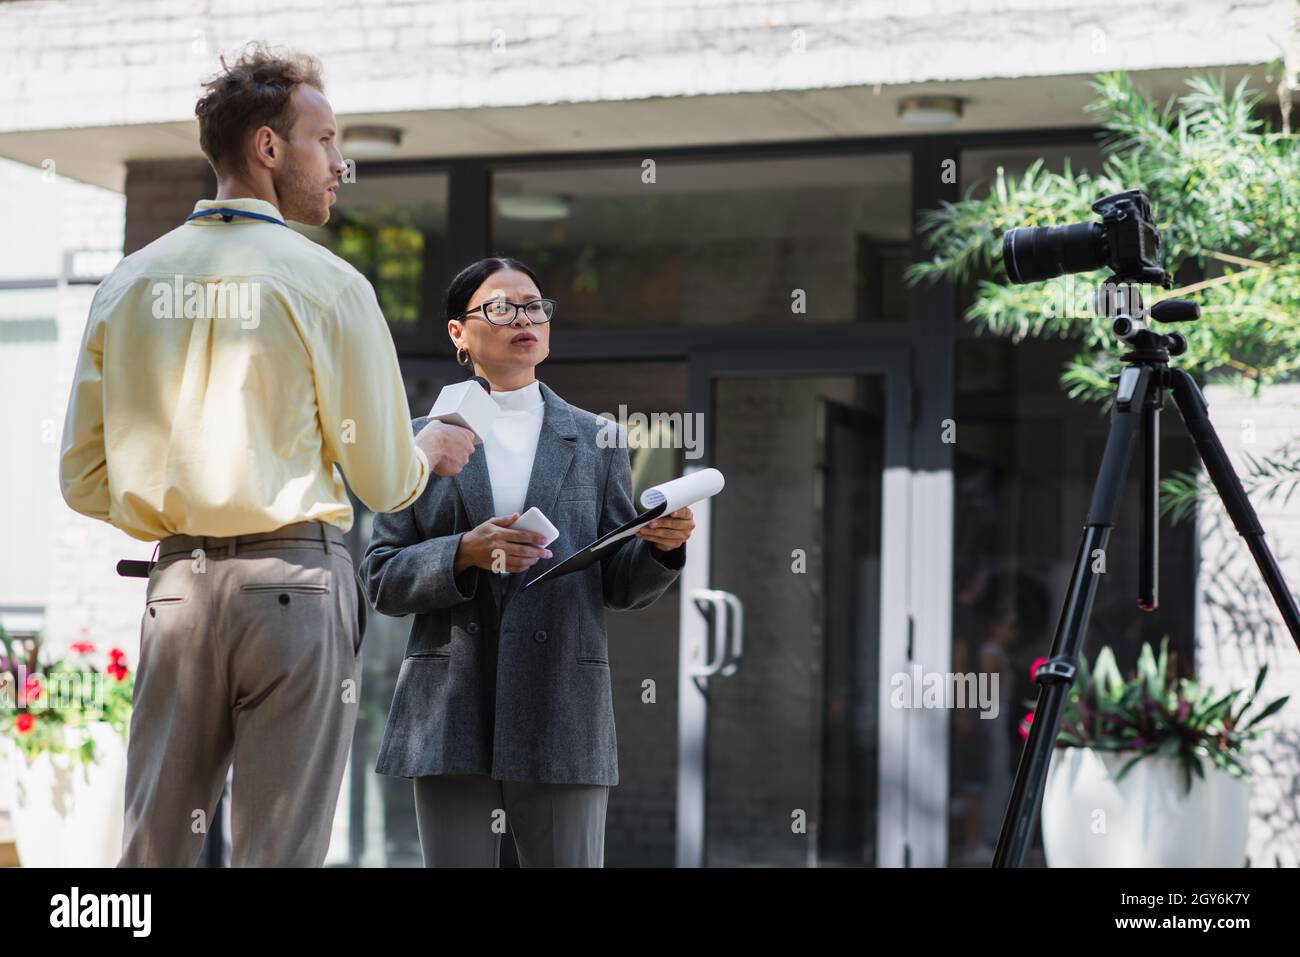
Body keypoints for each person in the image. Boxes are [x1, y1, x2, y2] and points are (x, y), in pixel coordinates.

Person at [57, 42, 475, 867]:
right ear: (268, 147)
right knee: (278, 852)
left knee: (151, 851)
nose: (340, 163)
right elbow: (387, 482)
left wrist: (176, 506)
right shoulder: (329, 286)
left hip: (176, 591)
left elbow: (81, 479)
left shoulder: (128, 284)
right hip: (294, 590)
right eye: (326, 141)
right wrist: (424, 447)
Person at [359, 256, 695, 867]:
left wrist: (660, 549)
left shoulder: (599, 438)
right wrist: (463, 553)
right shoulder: (419, 437)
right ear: (459, 333)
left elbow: (618, 584)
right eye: (501, 307)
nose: (525, 318)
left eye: (535, 305)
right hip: (451, 710)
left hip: (563, 705)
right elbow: (381, 575)